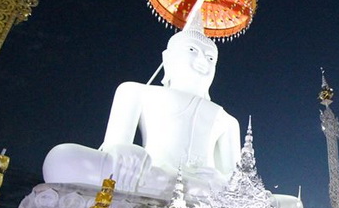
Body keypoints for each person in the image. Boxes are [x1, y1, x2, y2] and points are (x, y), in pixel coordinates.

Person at [43, 11, 241, 198]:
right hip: (149, 174)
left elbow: (237, 180)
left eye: (210, 58)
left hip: (203, 186)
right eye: (192, 50)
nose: (202, 61)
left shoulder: (227, 120)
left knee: (268, 201)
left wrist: (220, 179)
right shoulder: (134, 91)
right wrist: (123, 150)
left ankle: (188, 191)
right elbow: (114, 144)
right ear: (168, 58)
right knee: (61, 158)